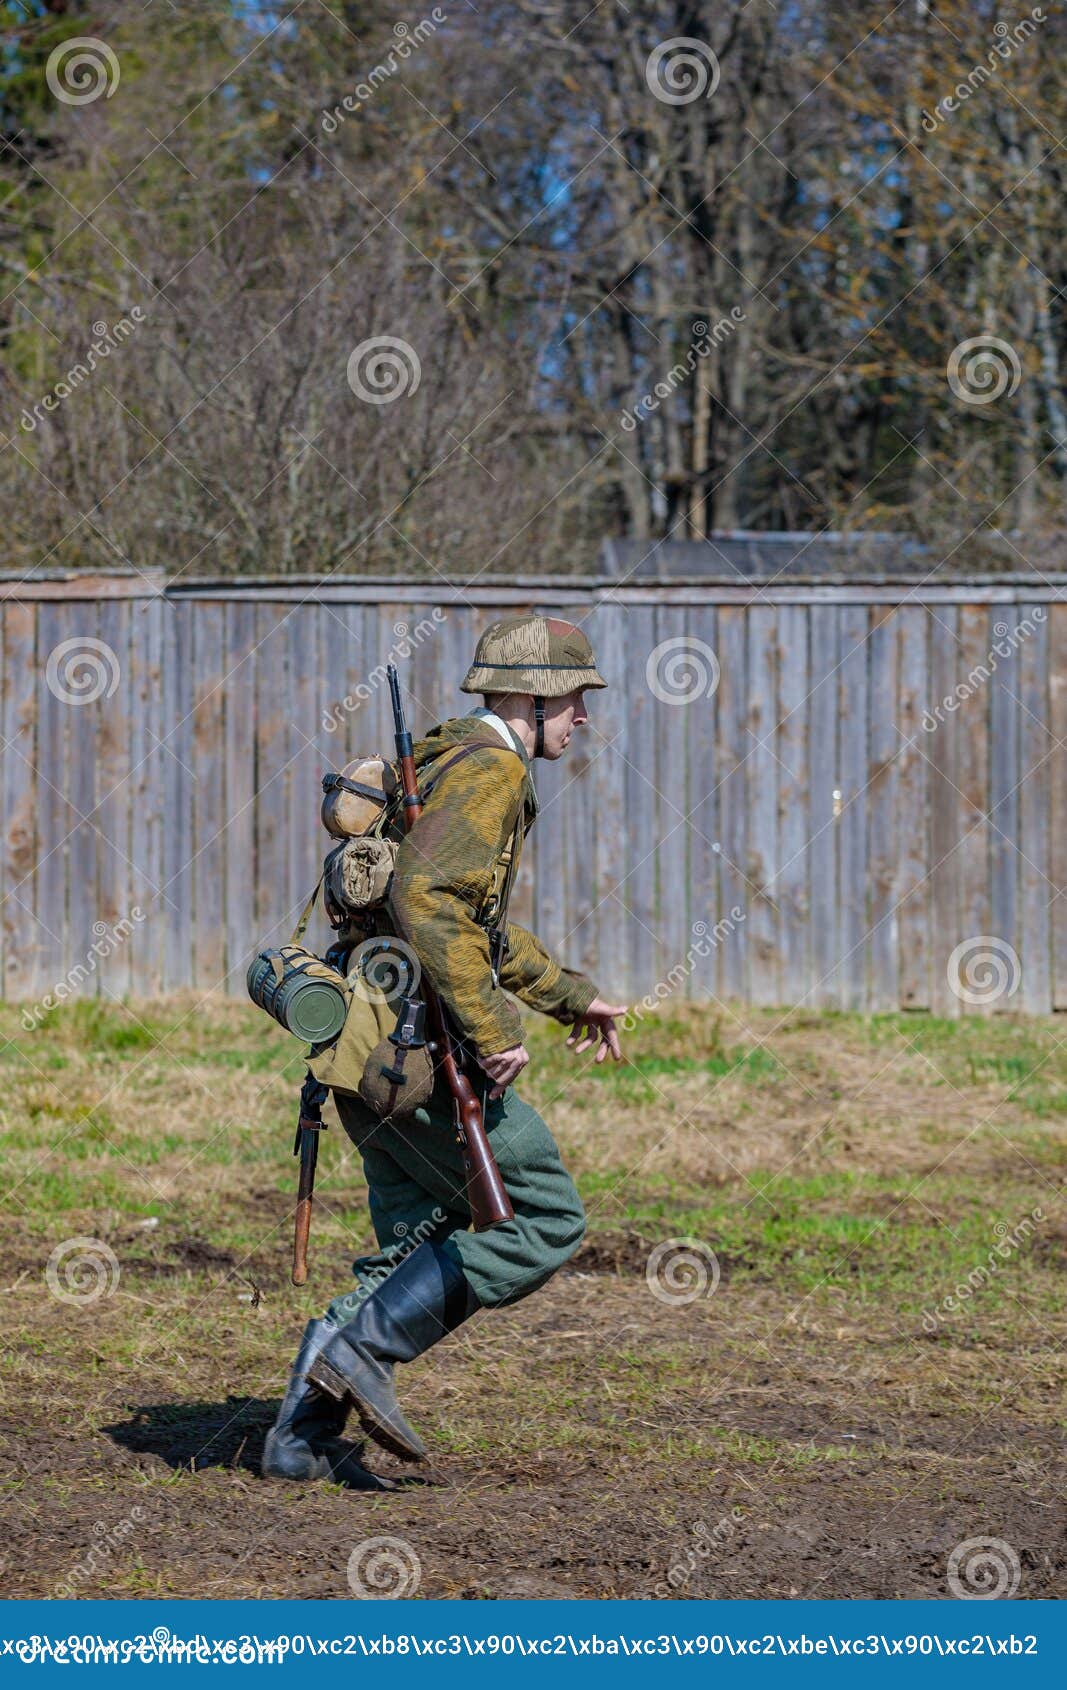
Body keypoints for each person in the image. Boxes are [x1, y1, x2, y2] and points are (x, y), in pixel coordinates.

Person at [262, 614, 626, 1485]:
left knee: (407, 1247)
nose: (582, 717)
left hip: (363, 1048)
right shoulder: (492, 767)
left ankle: (299, 1439)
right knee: (544, 1215)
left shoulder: (447, 756)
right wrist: (497, 1032)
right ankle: (364, 1353)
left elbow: (471, 920)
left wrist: (570, 996)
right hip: (422, 1054)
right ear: (533, 699)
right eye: (575, 698)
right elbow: (431, 902)